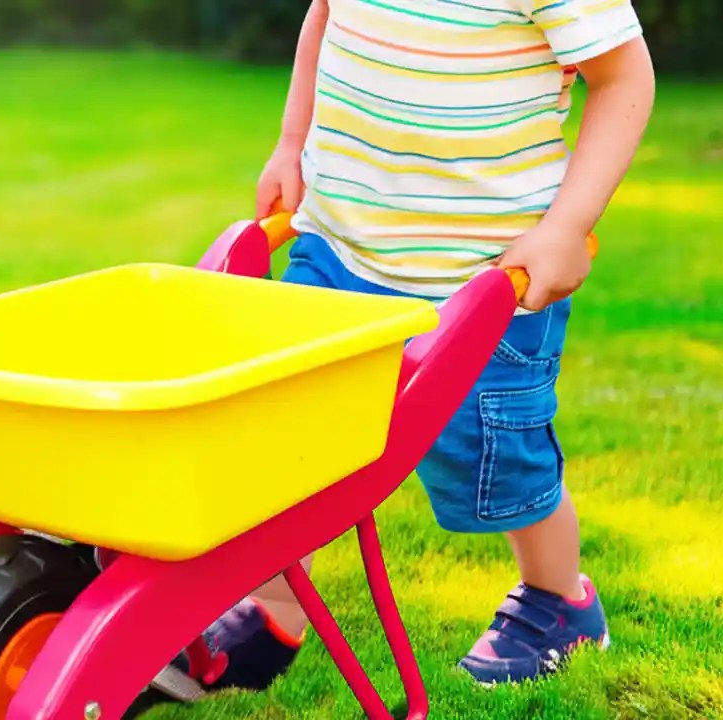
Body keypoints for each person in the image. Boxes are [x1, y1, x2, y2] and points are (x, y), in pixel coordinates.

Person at [179, 0, 655, 690]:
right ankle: (278, 607)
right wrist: (292, 142)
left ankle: (560, 601)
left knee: (495, 458)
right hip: (337, 248)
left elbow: (622, 79)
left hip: (489, 282)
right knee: (291, 437)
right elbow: (323, 19)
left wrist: (566, 225)